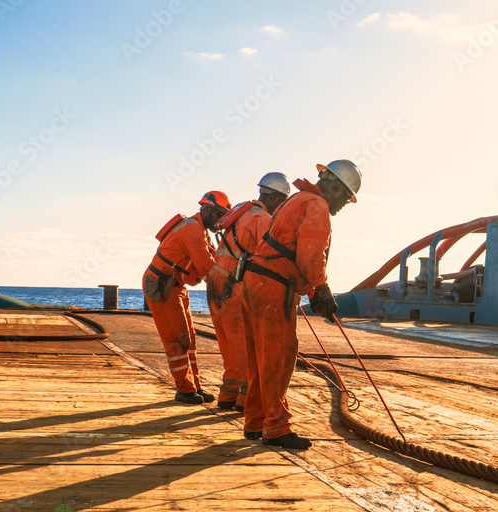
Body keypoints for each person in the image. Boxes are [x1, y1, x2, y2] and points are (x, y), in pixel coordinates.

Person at [240, 160, 362, 450]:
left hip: (254, 282)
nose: (344, 204)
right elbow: (310, 254)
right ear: (334, 187)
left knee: (260, 358)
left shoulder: (297, 199)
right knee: (279, 357)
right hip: (273, 288)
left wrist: (311, 290)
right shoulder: (318, 206)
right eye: (346, 197)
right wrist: (322, 288)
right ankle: (277, 428)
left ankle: (256, 422)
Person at [207, 173, 291, 411]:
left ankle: (228, 395)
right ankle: (245, 401)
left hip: (215, 279)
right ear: (274, 196)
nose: (282, 208)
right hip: (231, 284)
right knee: (244, 345)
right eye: (283, 201)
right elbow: (267, 257)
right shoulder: (262, 218)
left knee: (227, 344)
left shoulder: (242, 211)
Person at [143, 191, 232, 404]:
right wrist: (234, 285)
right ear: (207, 209)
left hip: (176, 285)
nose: (221, 221)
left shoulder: (200, 229)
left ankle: (194, 387)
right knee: (177, 338)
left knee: (189, 338)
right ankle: (184, 390)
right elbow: (206, 267)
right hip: (162, 285)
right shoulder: (193, 229)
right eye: (220, 215)